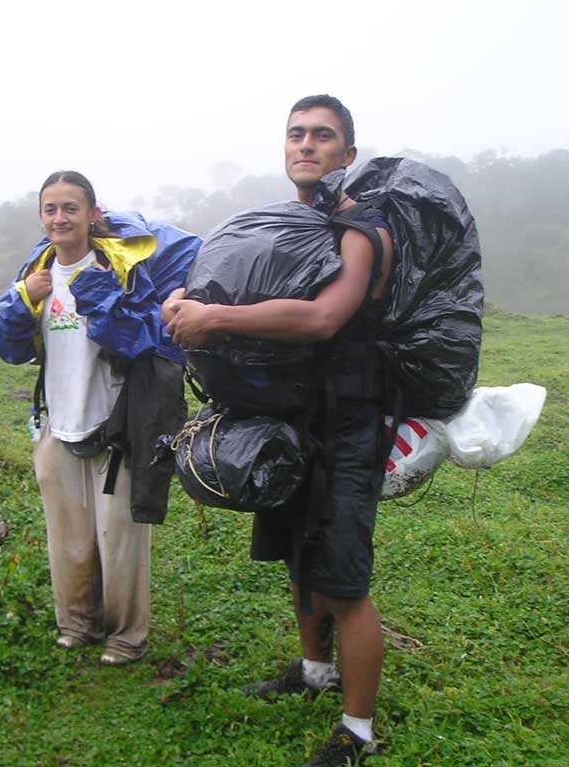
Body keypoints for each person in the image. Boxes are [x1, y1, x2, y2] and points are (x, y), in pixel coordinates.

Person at [163, 95, 394, 765]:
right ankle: (312, 670)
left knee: (344, 582)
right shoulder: (287, 225)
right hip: (289, 420)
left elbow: (324, 318)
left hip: (348, 427)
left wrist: (217, 322)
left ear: (347, 155)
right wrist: (189, 304)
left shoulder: (362, 230)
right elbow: (234, 285)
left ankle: (357, 730)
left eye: (323, 136)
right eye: (296, 135)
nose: (307, 145)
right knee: (298, 557)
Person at [0, 171, 198, 666]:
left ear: (91, 214)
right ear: (41, 217)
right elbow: (11, 351)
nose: (60, 218)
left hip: (116, 429)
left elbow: (145, 339)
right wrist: (22, 302)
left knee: (120, 542)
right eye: (50, 209)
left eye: (70, 208)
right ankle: (77, 624)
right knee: (67, 540)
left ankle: (126, 637)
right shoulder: (35, 277)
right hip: (57, 426)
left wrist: (101, 297)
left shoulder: (121, 270)